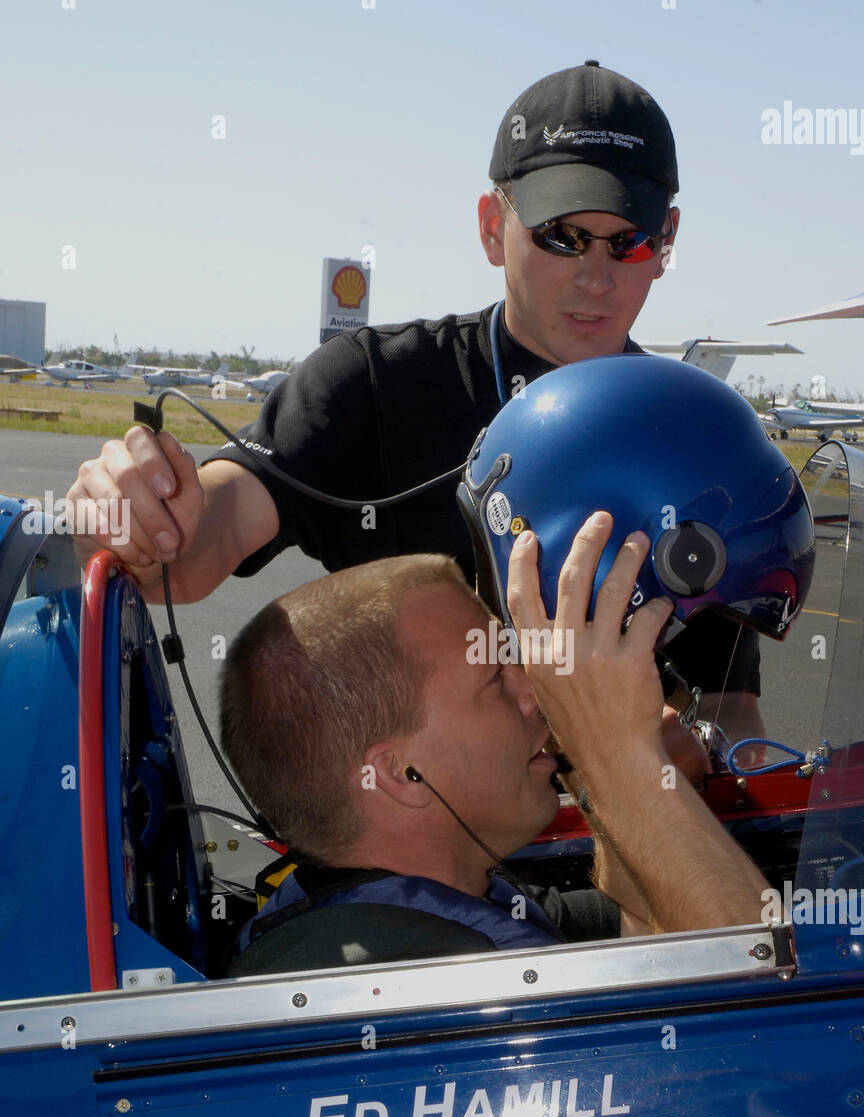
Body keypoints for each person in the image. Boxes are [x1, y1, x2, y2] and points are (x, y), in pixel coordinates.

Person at [65, 59, 764, 742]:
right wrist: (146, 518)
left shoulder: (692, 440)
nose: (596, 278)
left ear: (667, 242)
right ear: (494, 227)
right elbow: (195, 549)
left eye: (629, 244)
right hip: (408, 838)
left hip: (606, 841)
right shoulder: (373, 384)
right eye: (563, 237)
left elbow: (733, 715)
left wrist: (681, 754)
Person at [218, 514, 772, 977]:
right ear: (400, 773)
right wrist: (620, 754)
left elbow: (638, 931)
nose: (536, 690)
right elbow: (768, 1009)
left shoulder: (412, 902)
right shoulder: (441, 983)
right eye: (495, 677)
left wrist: (602, 762)